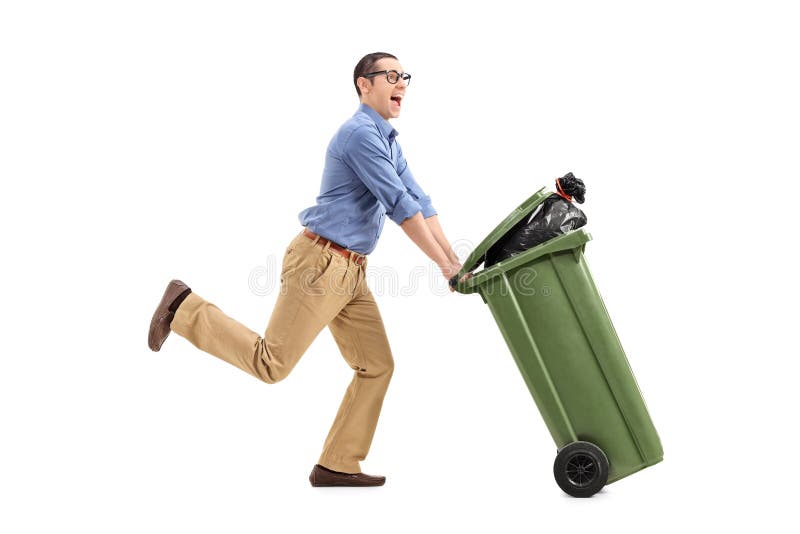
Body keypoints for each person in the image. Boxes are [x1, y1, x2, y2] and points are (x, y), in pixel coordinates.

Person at [147, 52, 467, 487]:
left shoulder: (389, 139)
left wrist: (453, 262)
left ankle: (337, 463)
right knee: (272, 363)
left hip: (351, 271)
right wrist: (444, 267)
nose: (402, 84)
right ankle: (184, 307)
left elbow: (420, 202)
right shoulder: (358, 135)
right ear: (363, 84)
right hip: (321, 263)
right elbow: (398, 205)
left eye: (404, 76)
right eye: (391, 75)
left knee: (377, 365)